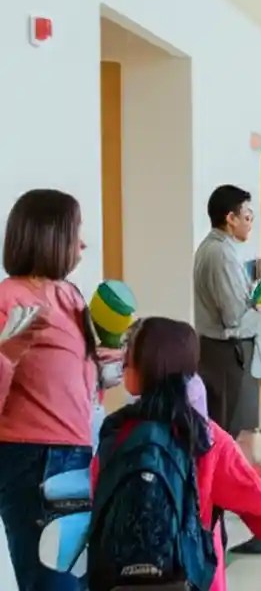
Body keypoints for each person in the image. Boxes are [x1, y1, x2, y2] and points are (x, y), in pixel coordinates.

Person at [92, 317, 261, 591]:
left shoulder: (115, 434)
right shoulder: (208, 440)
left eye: (128, 360)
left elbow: (97, 499)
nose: (123, 367)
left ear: (139, 373)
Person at [0, 189, 121, 590]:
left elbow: (76, 385)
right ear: (49, 236)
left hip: (80, 451)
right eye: (75, 233)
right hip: (34, 460)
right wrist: (8, 355)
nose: (82, 243)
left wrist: (104, 366)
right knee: (53, 583)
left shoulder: (68, 294)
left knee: (82, 580)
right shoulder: (9, 299)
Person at [192, 184, 261, 555]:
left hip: (228, 351)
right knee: (233, 441)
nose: (250, 223)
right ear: (229, 218)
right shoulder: (218, 254)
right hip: (226, 354)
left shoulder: (222, 251)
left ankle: (252, 524)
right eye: (247, 216)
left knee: (240, 439)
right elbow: (234, 317)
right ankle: (233, 526)